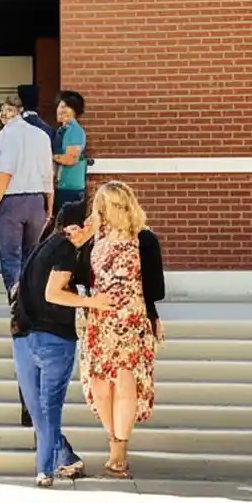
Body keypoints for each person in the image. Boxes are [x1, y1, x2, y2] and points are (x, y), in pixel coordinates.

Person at [12, 201, 111, 487]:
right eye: (92, 223)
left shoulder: (43, 248)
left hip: (22, 336)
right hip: (54, 338)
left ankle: (63, 458)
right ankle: (48, 468)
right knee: (49, 408)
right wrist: (93, 301)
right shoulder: (66, 251)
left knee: (40, 411)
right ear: (76, 226)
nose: (94, 229)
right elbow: (54, 293)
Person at [76, 182, 162, 480]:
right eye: (103, 206)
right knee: (100, 386)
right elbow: (79, 276)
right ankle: (113, 436)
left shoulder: (145, 239)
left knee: (125, 384)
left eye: (114, 205)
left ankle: (119, 453)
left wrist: (153, 318)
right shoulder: (93, 240)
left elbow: (152, 287)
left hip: (131, 319)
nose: (108, 211)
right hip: (99, 320)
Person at [0, 96, 54, 296]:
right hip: (37, 200)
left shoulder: (5, 136)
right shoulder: (41, 135)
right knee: (31, 253)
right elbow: (48, 173)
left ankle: (16, 294)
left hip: (12, 200)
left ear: (9, 113)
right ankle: (30, 298)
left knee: (10, 254)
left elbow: (4, 172)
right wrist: (49, 206)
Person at [53, 90, 88, 216]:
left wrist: (48, 157)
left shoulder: (74, 131)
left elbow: (70, 159)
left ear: (75, 111)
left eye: (66, 107)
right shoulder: (63, 130)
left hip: (71, 191)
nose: (61, 110)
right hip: (63, 188)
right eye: (60, 106)